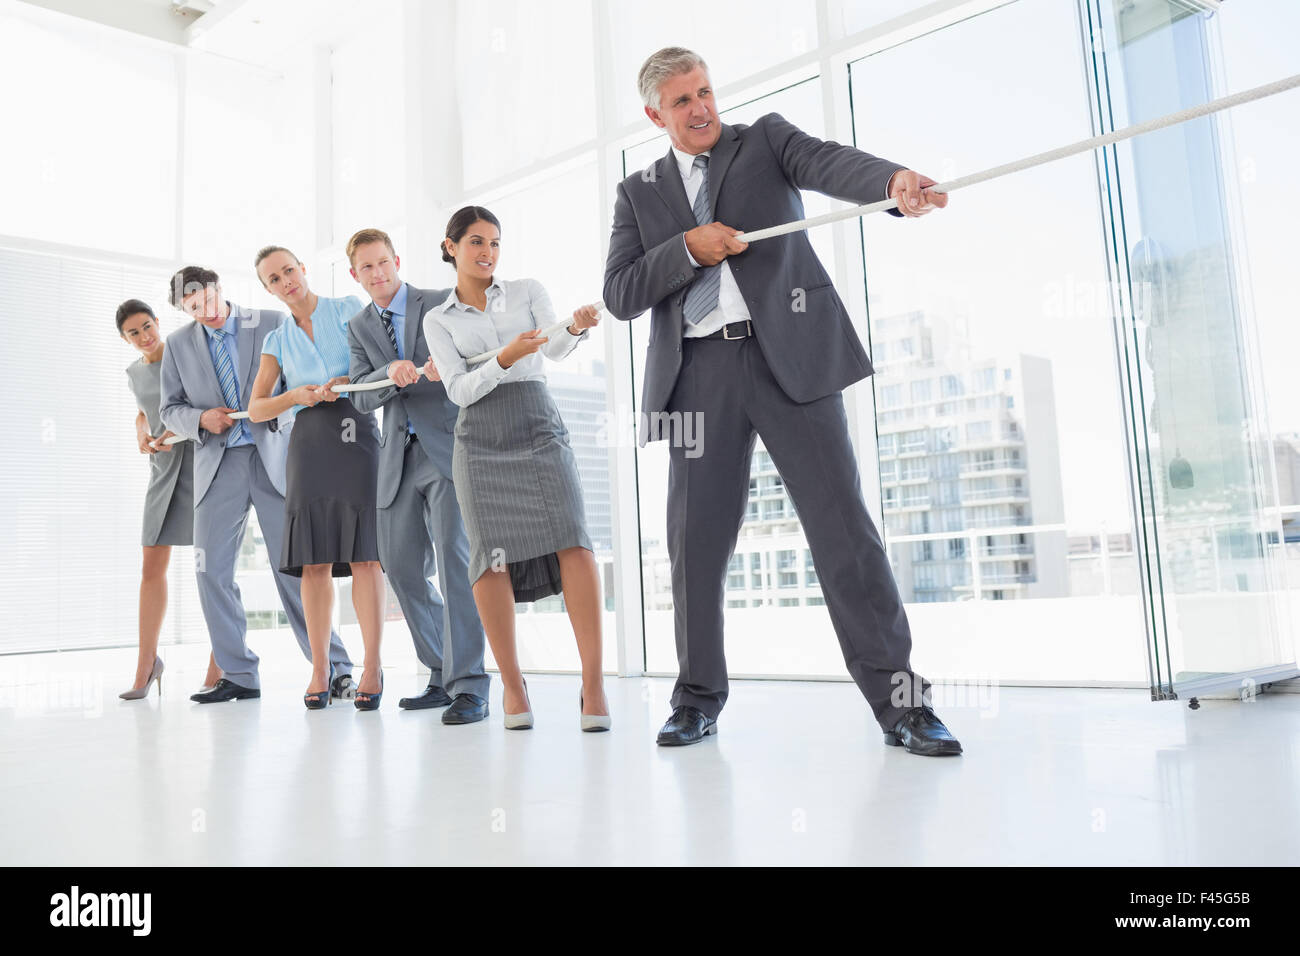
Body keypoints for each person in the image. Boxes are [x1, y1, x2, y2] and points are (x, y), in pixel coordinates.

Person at [602, 47, 961, 754]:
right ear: (654, 114)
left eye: (705, 90)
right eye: (682, 101)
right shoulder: (638, 192)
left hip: (789, 361)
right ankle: (696, 701)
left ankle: (903, 707)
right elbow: (620, 293)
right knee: (693, 547)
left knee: (845, 535)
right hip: (696, 378)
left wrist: (892, 183)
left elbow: (831, 163)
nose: (701, 107)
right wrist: (687, 250)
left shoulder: (763, 139)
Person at [421, 205, 609, 732]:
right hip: (479, 438)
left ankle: (592, 684)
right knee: (489, 558)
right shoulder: (438, 320)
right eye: (477, 242)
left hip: (536, 422)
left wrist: (575, 325)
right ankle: (511, 684)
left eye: (496, 243)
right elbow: (457, 389)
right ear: (451, 246)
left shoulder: (526, 291)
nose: (488, 252)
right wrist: (501, 358)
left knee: (573, 538)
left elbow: (557, 349)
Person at [159, 265, 353, 703]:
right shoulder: (177, 346)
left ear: (218, 289)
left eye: (207, 300)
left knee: (297, 568)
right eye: (193, 308)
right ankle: (238, 673)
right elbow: (169, 409)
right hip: (217, 462)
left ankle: (334, 669)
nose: (205, 312)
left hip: (277, 458)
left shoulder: (270, 322)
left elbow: (299, 380)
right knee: (211, 570)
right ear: (183, 310)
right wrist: (199, 419)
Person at [346, 227, 491, 725]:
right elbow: (360, 395)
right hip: (396, 458)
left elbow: (473, 357)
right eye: (367, 267)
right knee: (402, 569)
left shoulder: (439, 302)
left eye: (383, 262)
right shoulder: (359, 326)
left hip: (446, 445)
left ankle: (470, 683)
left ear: (397, 259)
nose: (378, 273)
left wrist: (433, 366)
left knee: (455, 564)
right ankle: (440, 670)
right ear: (355, 274)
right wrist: (391, 376)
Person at [247, 246, 382, 710]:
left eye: (289, 270)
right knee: (314, 561)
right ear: (268, 289)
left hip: (357, 433)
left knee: (366, 556)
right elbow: (257, 407)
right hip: (309, 441)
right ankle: (321, 669)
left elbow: (381, 358)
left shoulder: (348, 308)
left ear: (302, 269)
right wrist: (296, 396)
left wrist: (349, 378)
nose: (286, 281)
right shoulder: (277, 340)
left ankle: (371, 666)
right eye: (274, 278)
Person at [116, 298, 221, 699]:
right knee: (151, 567)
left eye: (147, 326)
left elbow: (204, 404)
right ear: (125, 339)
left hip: (200, 463)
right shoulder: (132, 372)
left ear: (158, 322)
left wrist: (175, 431)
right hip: (162, 475)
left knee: (213, 569)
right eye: (133, 333)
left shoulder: (184, 353)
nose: (144, 336)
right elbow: (145, 411)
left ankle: (221, 660)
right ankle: (146, 665)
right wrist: (141, 432)